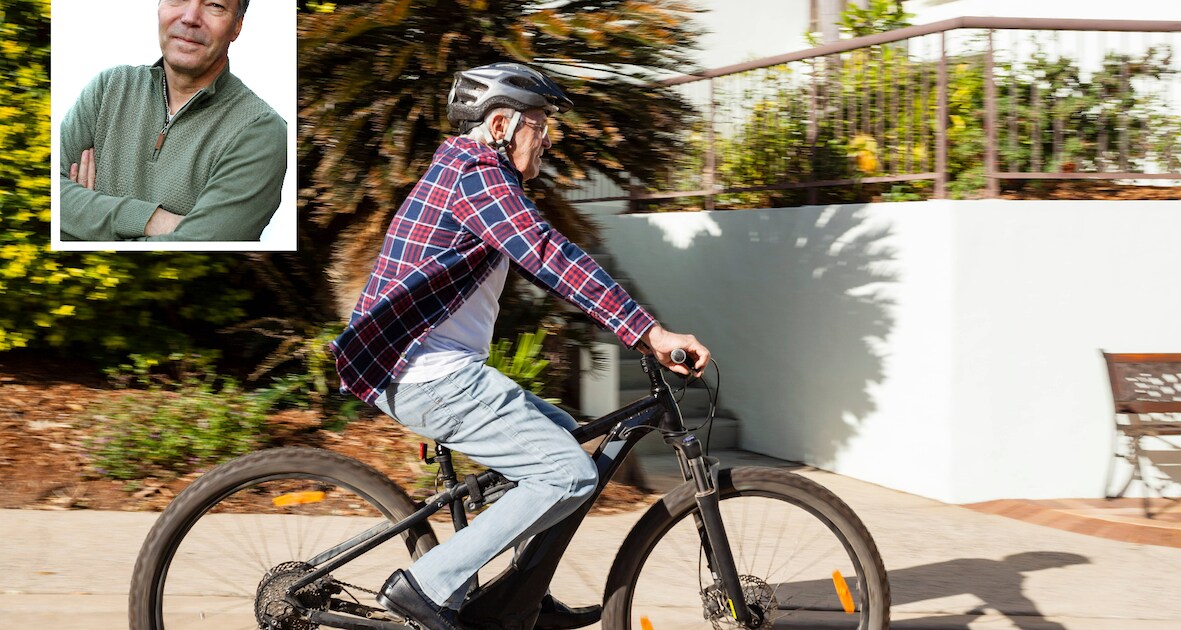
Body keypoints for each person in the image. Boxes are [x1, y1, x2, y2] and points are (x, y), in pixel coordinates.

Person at [331, 62, 710, 630]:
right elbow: (549, 255)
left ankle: (518, 597)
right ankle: (427, 586)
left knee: (564, 441)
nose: (548, 135)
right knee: (567, 474)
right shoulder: (477, 177)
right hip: (427, 373)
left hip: (424, 367)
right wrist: (649, 332)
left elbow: (541, 254)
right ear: (502, 124)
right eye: (540, 122)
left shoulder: (470, 171)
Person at [58, 0, 286, 242]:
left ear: (237, 26)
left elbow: (199, 248)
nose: (190, 17)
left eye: (215, 5)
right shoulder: (109, 89)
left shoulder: (260, 132)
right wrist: (152, 219)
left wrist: (82, 221)